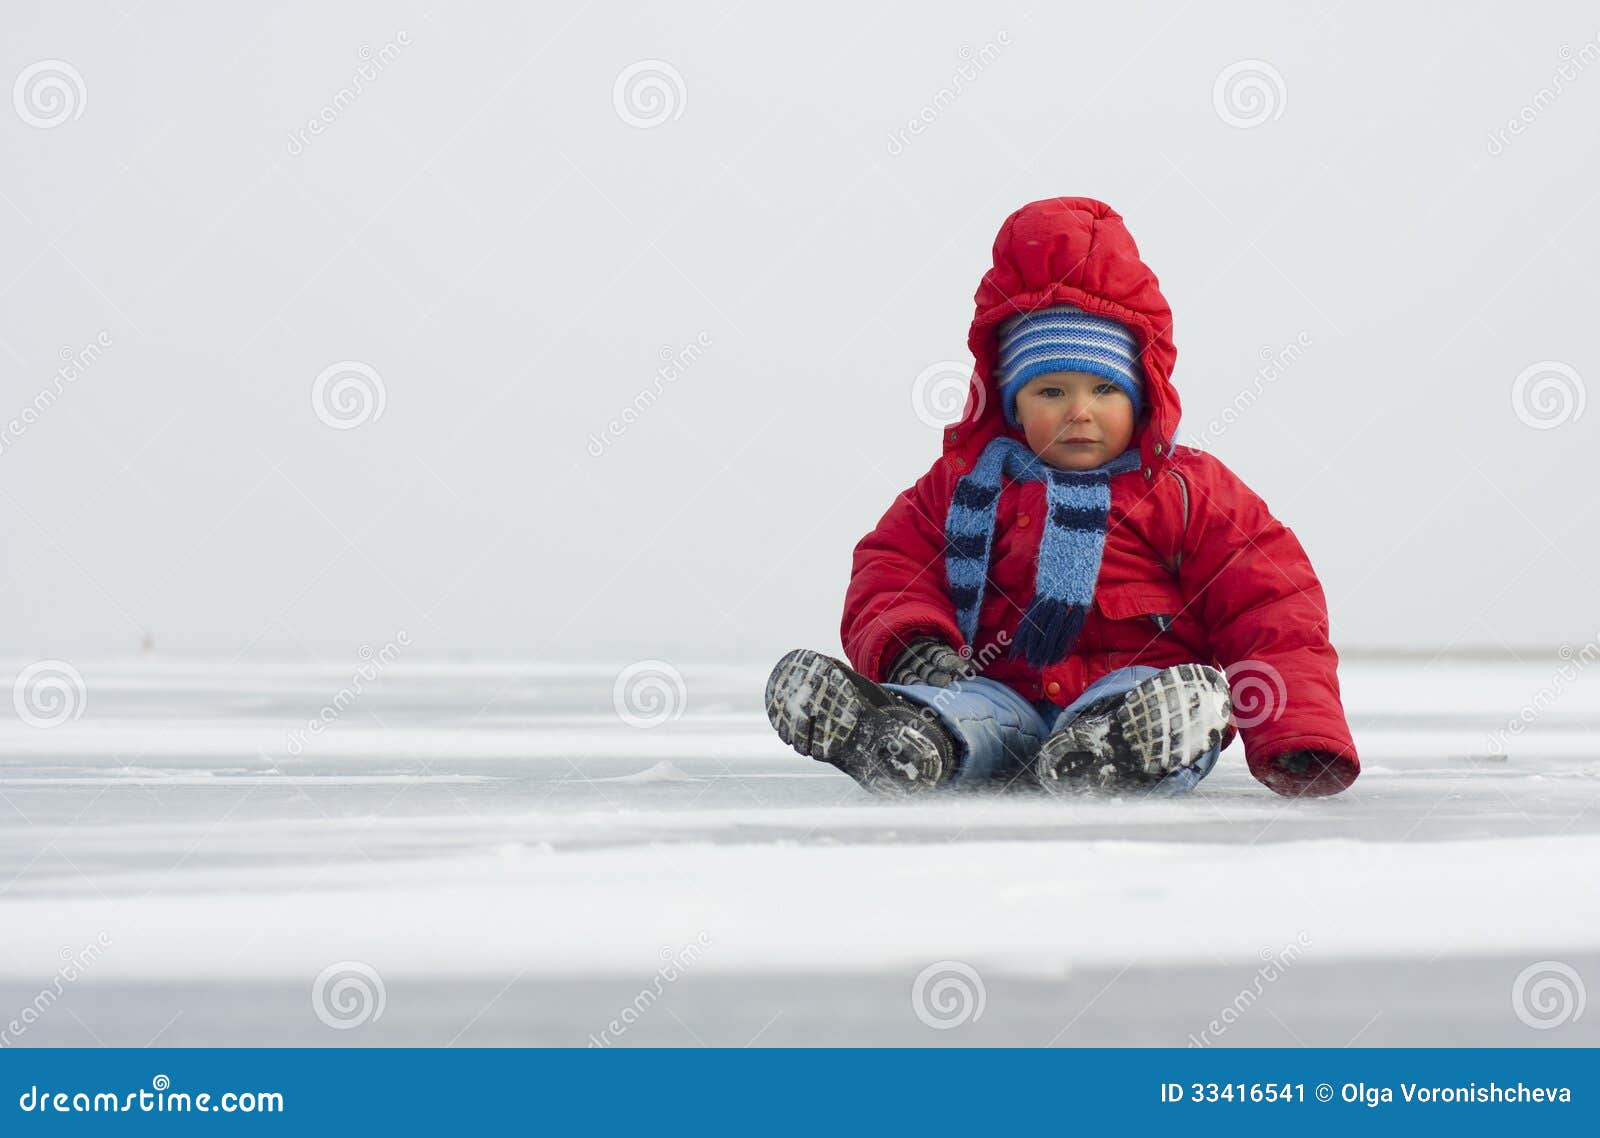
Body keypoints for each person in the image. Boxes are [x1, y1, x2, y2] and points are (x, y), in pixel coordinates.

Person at [765, 196, 1358, 799]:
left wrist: (1296, 731)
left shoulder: (1185, 490)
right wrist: (912, 646)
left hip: (1129, 686)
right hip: (995, 691)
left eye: (1104, 388)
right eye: (1051, 390)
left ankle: (1116, 751)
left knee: (1173, 702)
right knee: (960, 709)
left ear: (1142, 395)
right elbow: (893, 568)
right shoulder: (965, 485)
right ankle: (905, 737)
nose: (1080, 411)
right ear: (1012, 404)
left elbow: (1269, 603)